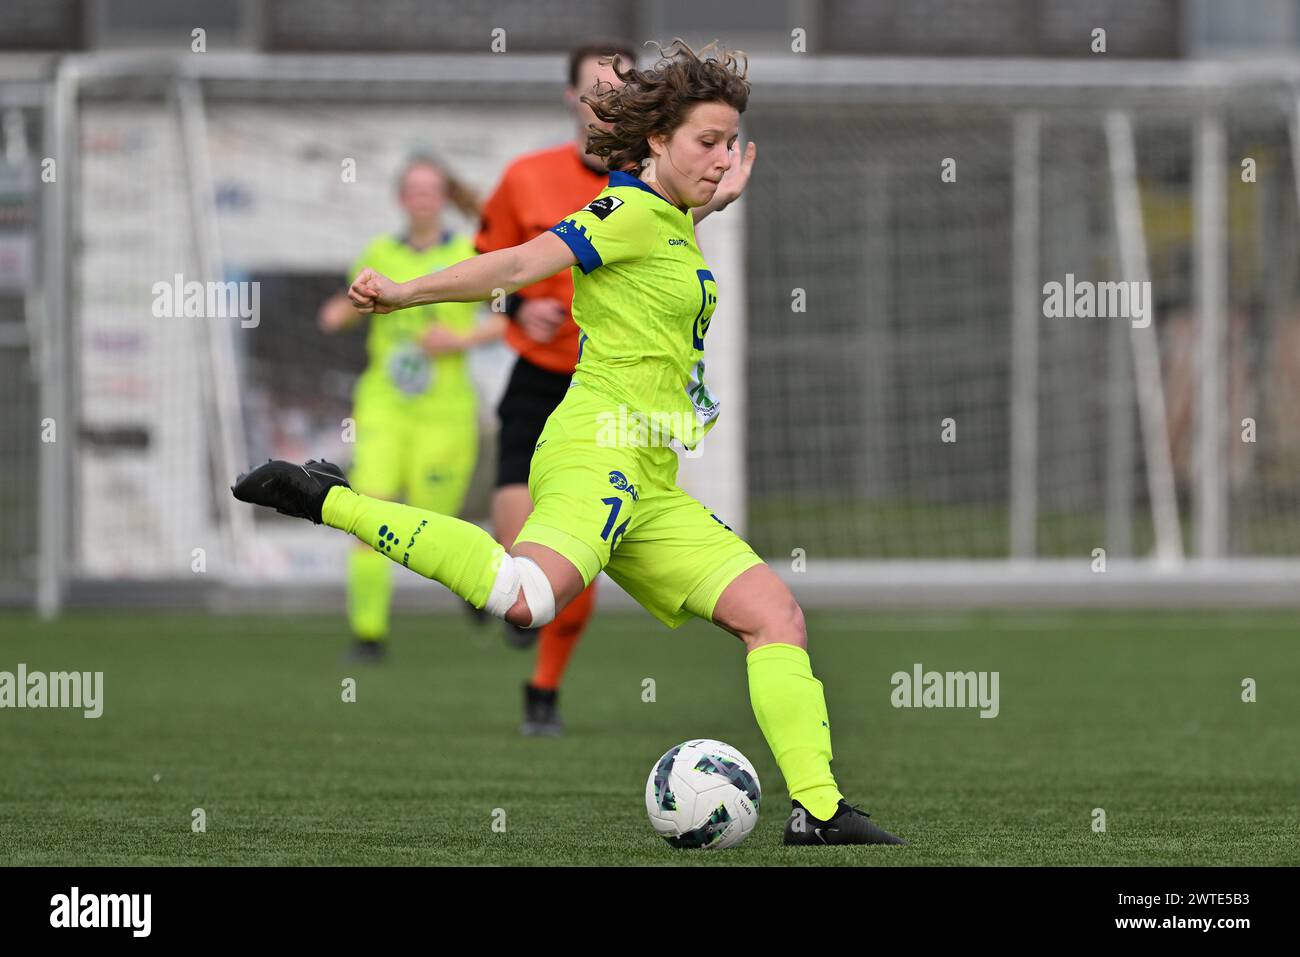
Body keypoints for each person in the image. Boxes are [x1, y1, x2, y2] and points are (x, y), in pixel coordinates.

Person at [234, 40, 904, 846]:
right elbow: (520, 260)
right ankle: (326, 497)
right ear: (658, 141)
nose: (724, 158)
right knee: (525, 596)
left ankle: (819, 810)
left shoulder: (667, 216)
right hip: (595, 451)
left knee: (775, 615)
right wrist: (406, 293)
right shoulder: (623, 211)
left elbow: (662, 233)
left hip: (649, 477)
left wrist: (708, 202)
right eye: (707, 142)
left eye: (732, 142)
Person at [475, 40, 635, 735]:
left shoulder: (650, 185)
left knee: (577, 565)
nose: (609, 101)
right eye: (596, 88)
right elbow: (486, 275)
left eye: (624, 89)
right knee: (520, 572)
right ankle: (495, 573)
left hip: (609, 396)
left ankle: (542, 693)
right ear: (571, 98)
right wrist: (516, 305)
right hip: (538, 384)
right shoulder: (525, 178)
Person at [317, 156, 505, 661]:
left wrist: (461, 338)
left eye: (431, 190)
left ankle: (476, 584)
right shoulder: (380, 251)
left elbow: (510, 320)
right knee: (369, 509)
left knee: (430, 522)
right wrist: (342, 310)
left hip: (444, 414)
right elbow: (352, 303)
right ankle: (367, 636)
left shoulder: (471, 252)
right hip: (383, 407)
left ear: (444, 198)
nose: (422, 199)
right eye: (414, 190)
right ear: (402, 199)